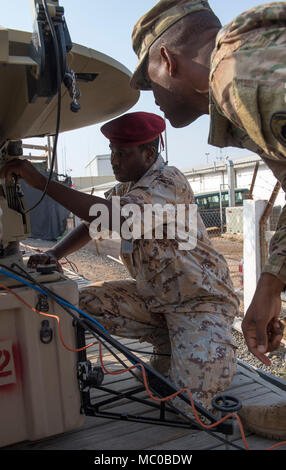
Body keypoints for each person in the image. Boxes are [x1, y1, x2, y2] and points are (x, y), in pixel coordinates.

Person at [1, 111, 240, 422]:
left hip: (199, 304)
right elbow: (94, 221)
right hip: (156, 301)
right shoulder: (129, 186)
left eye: (122, 153)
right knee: (79, 303)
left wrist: (42, 183)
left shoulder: (168, 181)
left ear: (148, 154)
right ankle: (169, 342)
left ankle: (199, 348)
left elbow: (113, 217)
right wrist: (55, 254)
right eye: (113, 151)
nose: (114, 160)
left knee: (188, 406)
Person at [130, 0, 286, 439]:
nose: (154, 99)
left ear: (167, 61)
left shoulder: (240, 75)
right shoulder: (239, 81)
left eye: (150, 84)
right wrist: (271, 286)